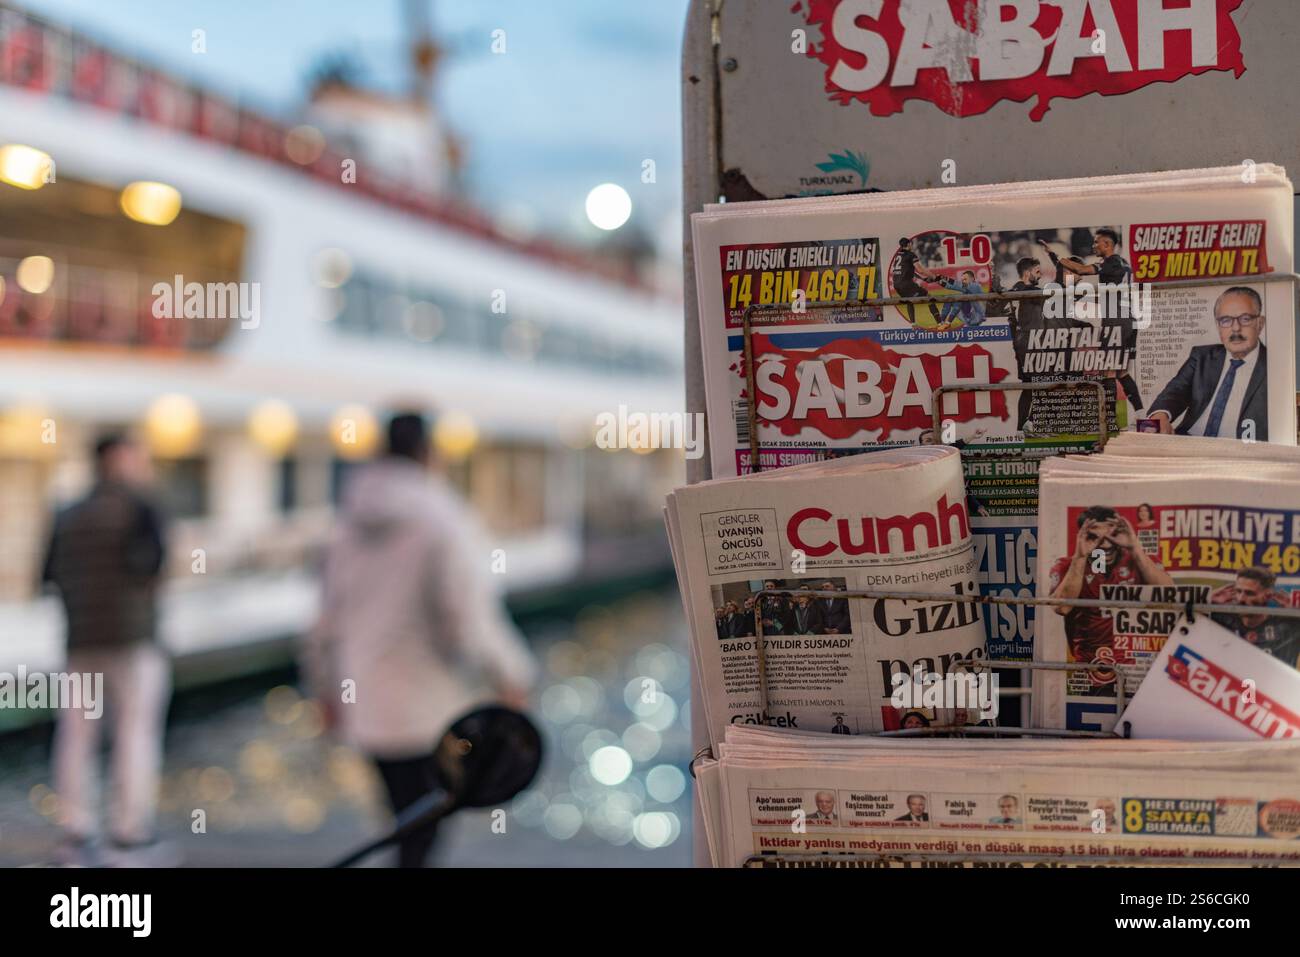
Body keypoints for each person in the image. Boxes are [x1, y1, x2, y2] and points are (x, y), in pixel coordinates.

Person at [304, 411, 537, 867]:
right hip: (426, 712)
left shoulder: (345, 524)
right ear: (429, 453)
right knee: (425, 833)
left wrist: (325, 690)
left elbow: (324, 626)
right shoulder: (443, 519)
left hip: (366, 706)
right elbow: (469, 618)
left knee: (401, 821)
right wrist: (512, 676)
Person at [41, 433, 170, 865]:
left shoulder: (67, 512)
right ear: (121, 459)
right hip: (132, 642)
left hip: (80, 641)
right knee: (134, 734)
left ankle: (76, 830)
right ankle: (129, 833)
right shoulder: (141, 507)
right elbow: (152, 566)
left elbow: (47, 574)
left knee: (77, 736)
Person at [1048, 506, 1174, 664]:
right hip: (1091, 666)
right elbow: (1061, 608)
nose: (1106, 545)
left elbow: (1169, 595)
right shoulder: (1067, 565)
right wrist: (1080, 556)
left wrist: (1134, 547)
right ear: (1082, 536)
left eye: (1112, 535)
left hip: (1136, 664)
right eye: (1095, 537)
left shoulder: (1140, 561)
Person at [1147, 287, 1268, 440]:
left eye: (1245, 319)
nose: (1235, 328)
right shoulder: (1201, 357)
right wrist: (1160, 414)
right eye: (1226, 320)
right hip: (1188, 443)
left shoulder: (1274, 365)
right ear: (1218, 326)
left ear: (1260, 323)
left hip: (1240, 452)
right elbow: (1175, 391)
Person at [1209, 567, 1300, 668]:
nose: (1241, 599)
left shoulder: (1288, 627)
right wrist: (1208, 600)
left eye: (1249, 593)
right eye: (1238, 591)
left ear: (1268, 596)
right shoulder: (1222, 619)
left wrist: (1296, 611)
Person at [889, 237, 940, 326]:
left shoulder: (898, 255)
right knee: (928, 296)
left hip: (896, 285)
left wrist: (923, 279)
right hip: (906, 284)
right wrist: (933, 276)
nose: (912, 245)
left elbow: (910, 271)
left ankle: (913, 324)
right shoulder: (911, 255)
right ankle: (940, 323)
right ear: (908, 244)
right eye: (911, 243)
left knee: (909, 301)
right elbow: (920, 270)